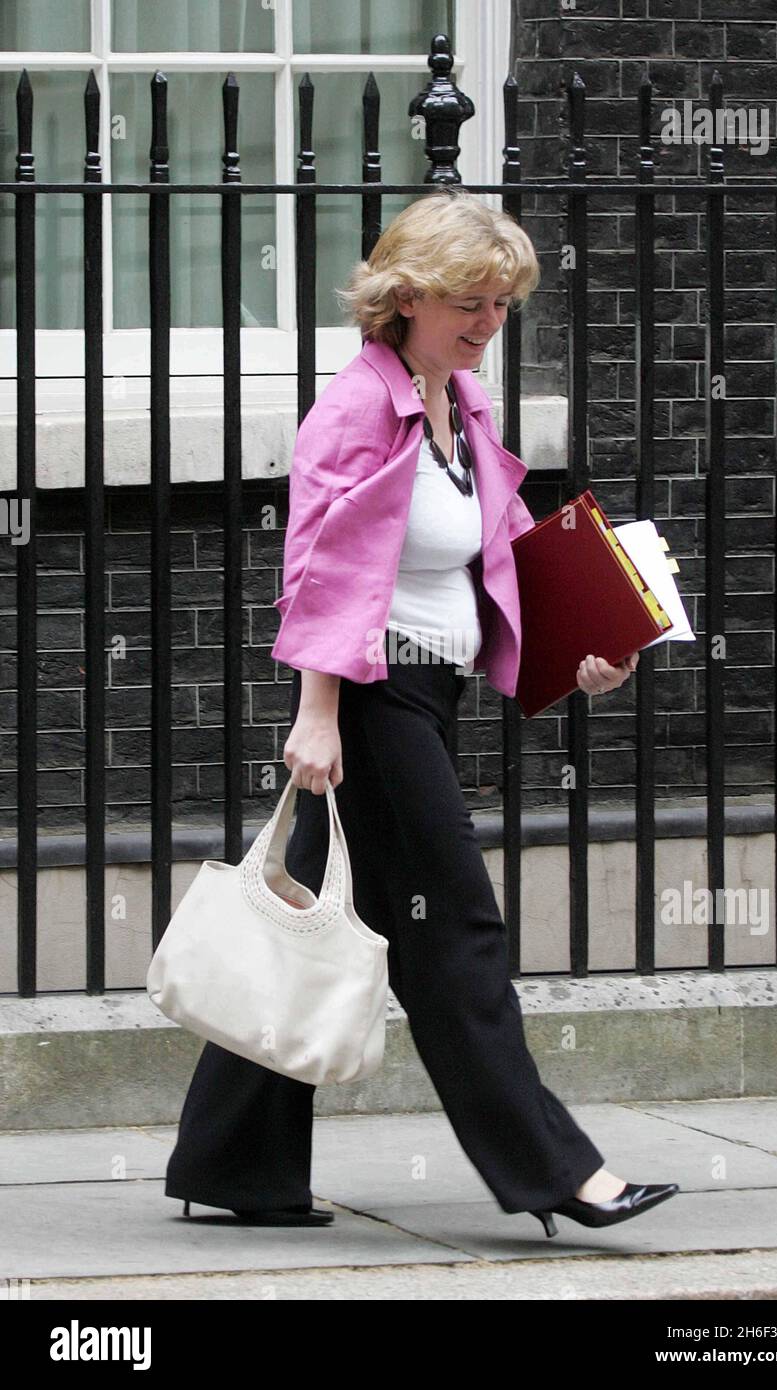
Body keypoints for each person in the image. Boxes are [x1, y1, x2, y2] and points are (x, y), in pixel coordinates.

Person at [164, 188, 679, 1238]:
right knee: (456, 928)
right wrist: (319, 714)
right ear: (404, 298)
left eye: (501, 303)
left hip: (430, 689)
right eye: (468, 303)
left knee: (313, 912)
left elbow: (487, 561)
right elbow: (317, 569)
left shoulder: (463, 404)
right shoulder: (358, 408)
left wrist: (570, 658)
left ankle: (234, 1161)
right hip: (371, 696)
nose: (489, 323)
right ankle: (556, 1170)